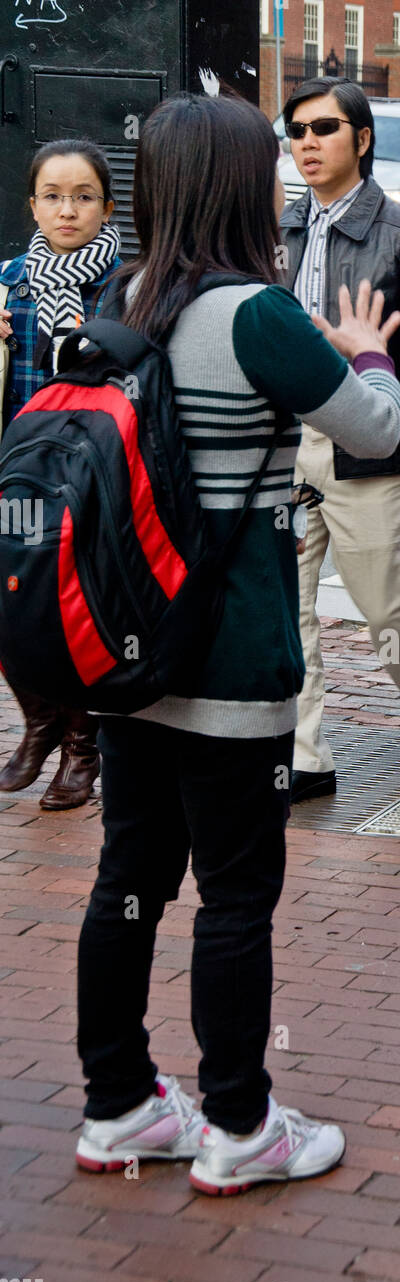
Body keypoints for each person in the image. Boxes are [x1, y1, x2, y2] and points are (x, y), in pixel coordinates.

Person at [74, 92, 400, 1193]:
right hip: (229, 658)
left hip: (126, 650)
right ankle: (238, 1125)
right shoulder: (257, 312)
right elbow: (373, 433)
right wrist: (365, 353)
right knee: (234, 894)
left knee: (128, 880)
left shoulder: (118, 302)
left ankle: (118, 1104)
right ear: (235, 185)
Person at [279, 77, 400, 805]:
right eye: (296, 131)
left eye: (323, 129)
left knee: (384, 603)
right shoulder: (281, 229)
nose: (306, 143)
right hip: (286, 444)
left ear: (361, 140)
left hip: (370, 441)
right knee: (285, 606)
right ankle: (304, 755)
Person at [0, 140, 121, 810]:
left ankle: (82, 743)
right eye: (52, 196)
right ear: (32, 203)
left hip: (89, 471)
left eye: (82, 197)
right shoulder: (9, 279)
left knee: (75, 611)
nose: (66, 210)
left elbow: (143, 378)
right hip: (16, 469)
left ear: (106, 205)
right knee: (12, 606)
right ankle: (41, 723)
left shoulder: (124, 285)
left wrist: (98, 344)